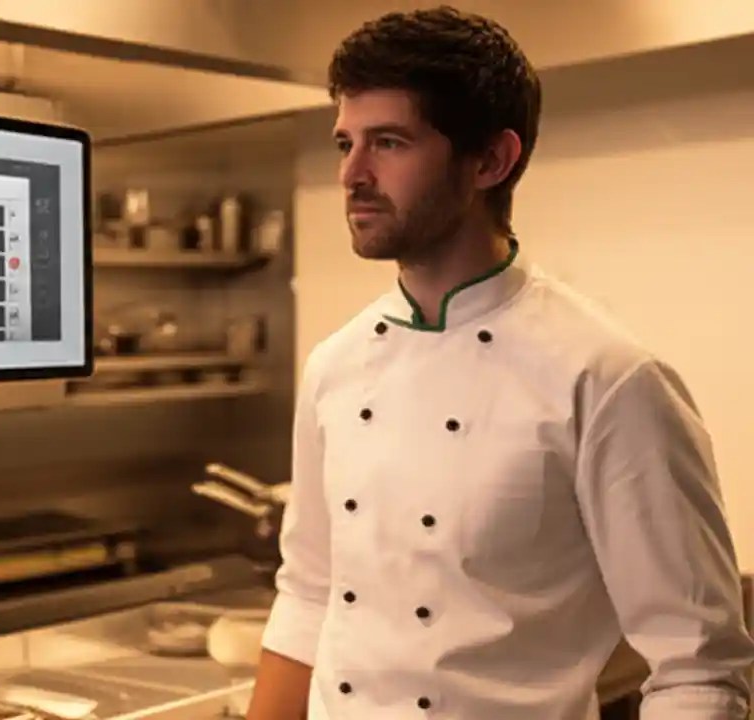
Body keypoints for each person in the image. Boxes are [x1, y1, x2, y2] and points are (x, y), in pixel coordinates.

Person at [247, 6, 754, 719]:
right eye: (344, 144)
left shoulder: (606, 378)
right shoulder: (335, 366)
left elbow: (696, 671)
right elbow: (307, 594)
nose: (352, 176)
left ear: (491, 160)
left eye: (388, 142)